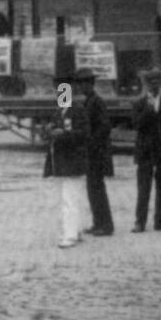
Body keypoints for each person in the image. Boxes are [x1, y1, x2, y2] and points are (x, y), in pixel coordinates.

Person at [43, 85, 90, 248]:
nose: (59, 95)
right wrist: (48, 130)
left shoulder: (77, 110)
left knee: (70, 200)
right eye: (58, 92)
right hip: (59, 163)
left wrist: (64, 134)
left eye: (63, 92)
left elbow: (84, 134)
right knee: (66, 199)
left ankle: (70, 236)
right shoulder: (58, 111)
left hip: (72, 162)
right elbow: (51, 131)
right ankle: (75, 230)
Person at [131, 68, 161, 233]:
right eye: (152, 82)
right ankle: (139, 222)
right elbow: (137, 125)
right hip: (145, 153)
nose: (155, 85)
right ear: (147, 84)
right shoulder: (139, 103)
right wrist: (148, 109)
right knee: (143, 189)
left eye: (158, 82)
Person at [76, 68, 114, 236]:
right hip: (91, 153)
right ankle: (97, 222)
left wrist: (92, 143)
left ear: (90, 84)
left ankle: (106, 226)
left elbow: (105, 127)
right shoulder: (89, 101)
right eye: (80, 84)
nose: (81, 87)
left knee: (97, 189)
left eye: (84, 83)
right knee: (92, 189)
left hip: (97, 154)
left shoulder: (97, 102)